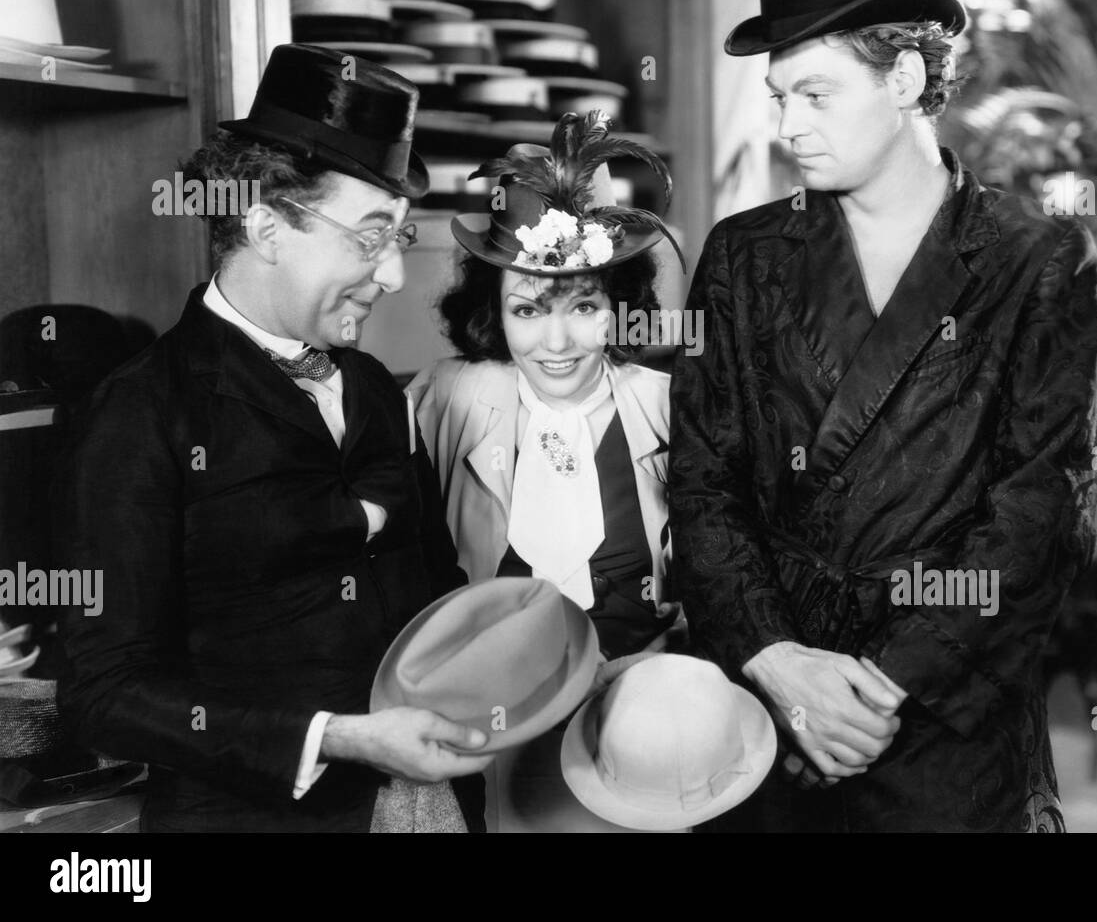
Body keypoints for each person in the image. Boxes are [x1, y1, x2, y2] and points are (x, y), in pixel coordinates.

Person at [669, 0, 1097, 832]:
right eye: (778, 96)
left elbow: (1041, 515)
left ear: (906, 77)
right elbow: (703, 485)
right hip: (771, 709)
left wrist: (877, 692)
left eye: (816, 95)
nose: (787, 125)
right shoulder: (742, 256)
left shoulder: (1035, 260)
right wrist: (775, 661)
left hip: (944, 719)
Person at [58, 44, 492, 833]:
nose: (394, 275)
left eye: (400, 236)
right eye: (370, 237)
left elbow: (431, 581)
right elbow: (105, 693)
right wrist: (341, 739)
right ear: (265, 226)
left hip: (429, 807)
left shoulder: (369, 386)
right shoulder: (138, 412)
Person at [408, 111, 684, 830]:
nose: (555, 342)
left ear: (619, 306)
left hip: (639, 743)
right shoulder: (448, 399)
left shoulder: (669, 411)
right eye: (528, 309)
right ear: (494, 313)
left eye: (584, 306)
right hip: (483, 745)